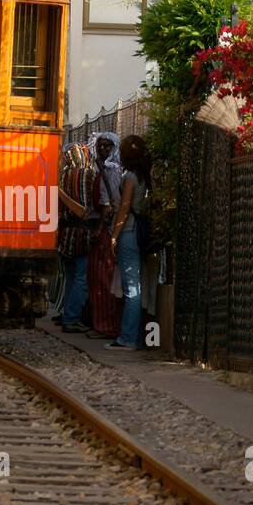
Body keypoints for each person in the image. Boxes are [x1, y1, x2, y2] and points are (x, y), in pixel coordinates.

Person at [107, 135, 151, 350]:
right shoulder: (145, 177)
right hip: (140, 231)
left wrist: (114, 235)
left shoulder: (129, 177)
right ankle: (131, 335)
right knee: (134, 284)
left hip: (129, 231)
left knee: (131, 286)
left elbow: (124, 208)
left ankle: (128, 337)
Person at [56, 141, 98, 333]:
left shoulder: (62, 176)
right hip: (83, 233)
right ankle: (71, 318)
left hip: (65, 235)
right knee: (82, 278)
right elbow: (85, 210)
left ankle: (66, 313)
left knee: (71, 277)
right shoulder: (87, 174)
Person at [85, 131, 123, 339]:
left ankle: (106, 325)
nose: (103, 149)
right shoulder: (103, 169)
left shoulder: (110, 171)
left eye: (108, 146)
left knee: (103, 280)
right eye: (100, 145)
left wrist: (99, 229)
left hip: (105, 232)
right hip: (104, 231)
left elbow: (110, 206)